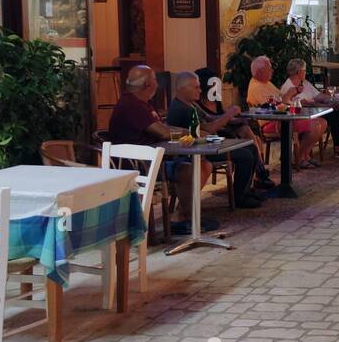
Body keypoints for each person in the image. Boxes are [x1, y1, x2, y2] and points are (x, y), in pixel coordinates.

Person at [108, 64, 211, 235]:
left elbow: (163, 128)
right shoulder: (132, 105)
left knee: (202, 166)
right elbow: (163, 132)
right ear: (147, 85)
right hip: (137, 166)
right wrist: (193, 135)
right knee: (188, 170)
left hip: (151, 160)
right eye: (155, 79)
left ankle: (184, 217)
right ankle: (185, 219)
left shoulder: (143, 103)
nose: (158, 83)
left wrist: (189, 135)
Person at [167, 71, 264, 208]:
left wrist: (231, 118)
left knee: (250, 147)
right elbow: (209, 128)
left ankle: (246, 191)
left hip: (205, 145)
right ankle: (240, 197)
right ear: (183, 89)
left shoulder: (191, 104)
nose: (200, 90)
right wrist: (229, 114)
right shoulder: (182, 109)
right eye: (196, 87)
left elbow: (209, 118)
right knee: (245, 155)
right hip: (196, 153)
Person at [196, 67, 272, 188]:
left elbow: (222, 116)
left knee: (252, 135)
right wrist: (230, 115)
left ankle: (256, 177)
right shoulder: (197, 105)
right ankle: (259, 174)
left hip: (226, 131)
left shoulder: (216, 101)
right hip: (215, 136)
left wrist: (238, 118)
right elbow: (213, 121)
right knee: (250, 139)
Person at [247, 54, 323, 169]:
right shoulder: (257, 87)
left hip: (284, 118)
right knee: (314, 124)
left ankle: (304, 156)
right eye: (269, 68)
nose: (272, 70)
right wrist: (289, 96)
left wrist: (293, 94)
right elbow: (272, 109)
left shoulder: (266, 82)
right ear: (261, 71)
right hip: (273, 123)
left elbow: (282, 100)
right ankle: (296, 158)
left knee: (322, 122)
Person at [281, 59, 339, 155]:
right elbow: (304, 105)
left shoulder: (304, 83)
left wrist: (335, 98)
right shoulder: (289, 87)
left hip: (314, 110)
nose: (306, 73)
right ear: (299, 72)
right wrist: (327, 105)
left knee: (338, 110)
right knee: (334, 114)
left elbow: (318, 96)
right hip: (304, 114)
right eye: (305, 70)